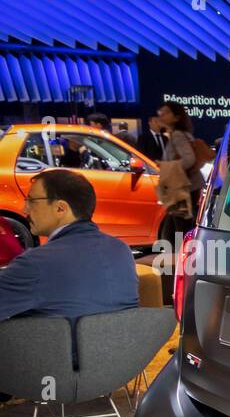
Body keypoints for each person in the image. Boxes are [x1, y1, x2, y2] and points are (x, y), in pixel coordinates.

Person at [0, 169, 138, 324]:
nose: (25, 209)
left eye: (31, 201)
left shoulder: (35, 263)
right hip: (122, 347)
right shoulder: (121, 250)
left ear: (60, 208)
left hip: (51, 348)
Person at [158, 100, 205, 268]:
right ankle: (181, 267)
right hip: (185, 187)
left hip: (183, 187)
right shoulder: (178, 134)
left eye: (165, 113)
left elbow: (189, 159)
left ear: (176, 117)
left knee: (180, 232)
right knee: (174, 230)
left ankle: (184, 268)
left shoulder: (178, 135)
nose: (160, 116)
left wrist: (171, 170)